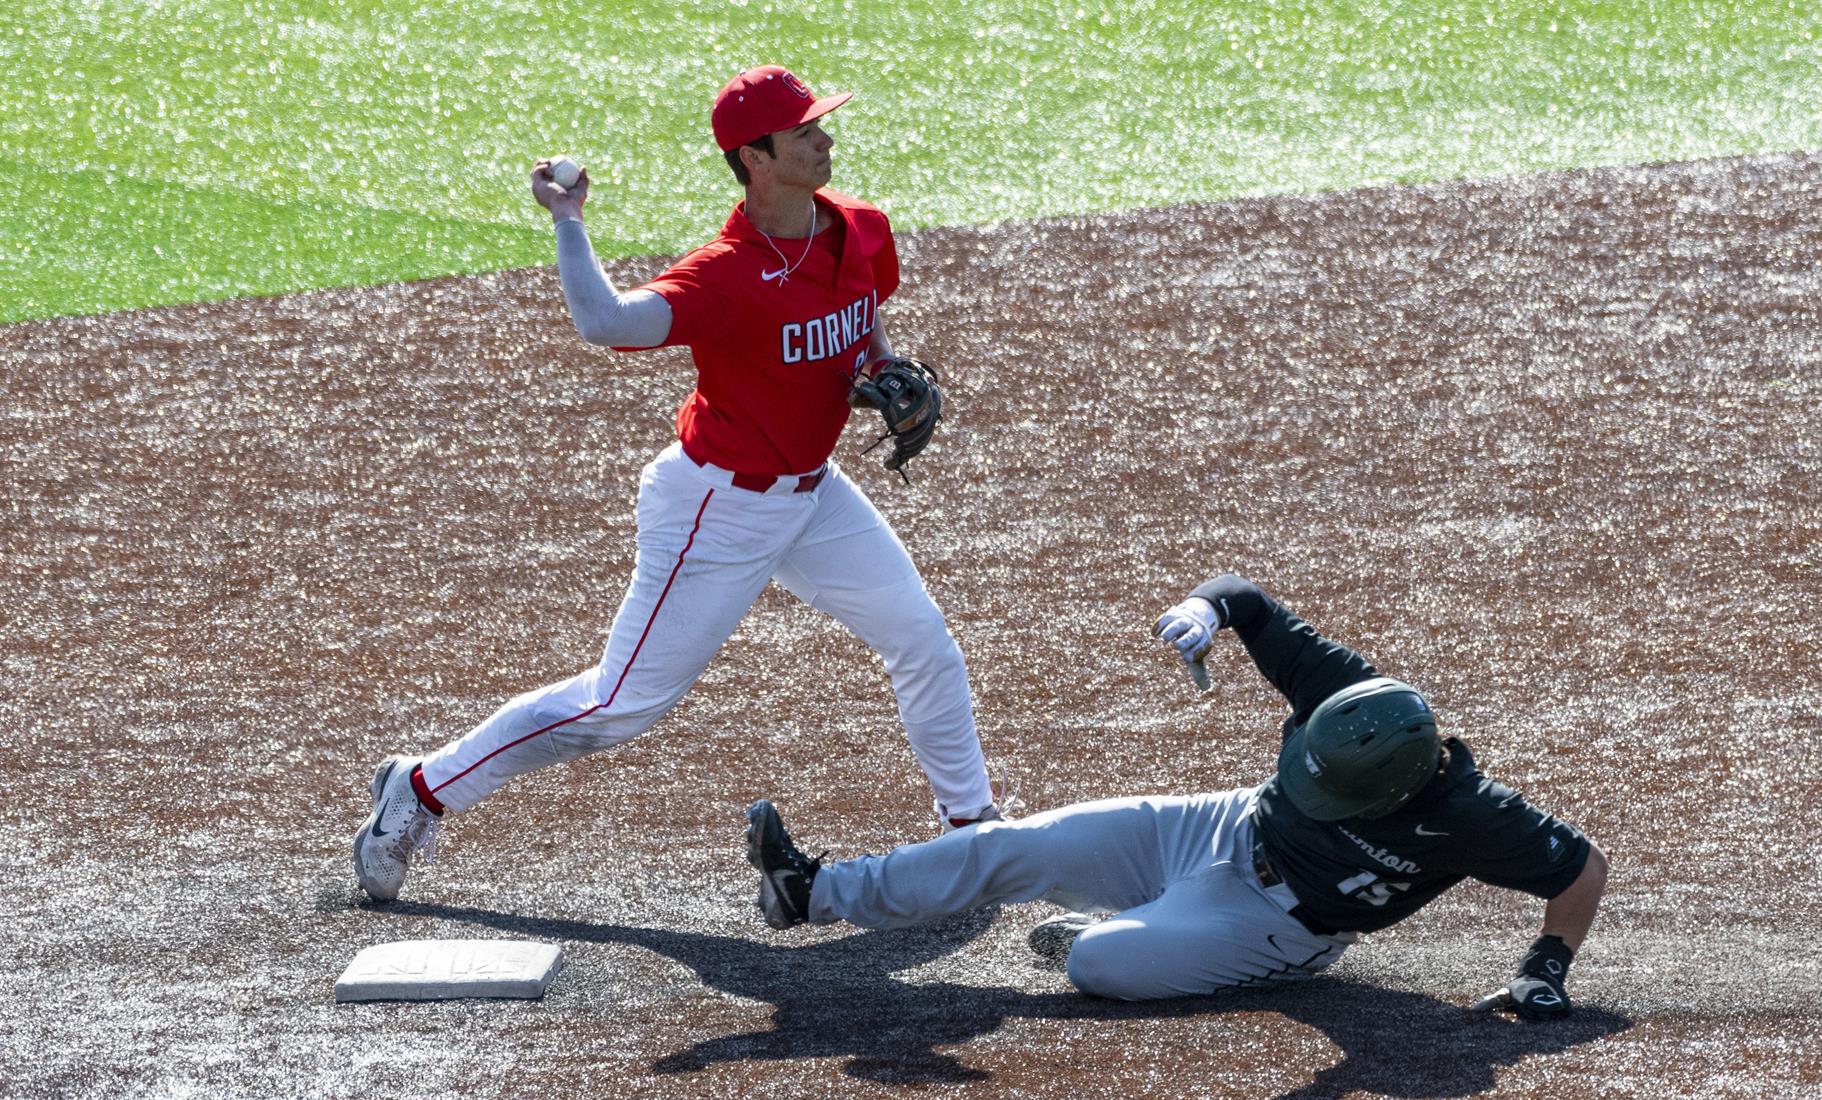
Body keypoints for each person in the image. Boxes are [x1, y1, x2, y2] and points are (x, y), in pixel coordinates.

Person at [354, 64, 1002, 903]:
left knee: (923, 642)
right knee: (617, 706)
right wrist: (568, 221)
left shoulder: (861, 229)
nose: (825, 139)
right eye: (804, 131)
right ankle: (421, 787)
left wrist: (879, 368)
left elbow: (863, 320)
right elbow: (604, 322)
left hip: (814, 494)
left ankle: (974, 829)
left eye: (821, 124)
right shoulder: (724, 276)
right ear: (755, 158)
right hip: (715, 508)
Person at [744, 574, 1610, 1015]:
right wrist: (1203, 610)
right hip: (1218, 824)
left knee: (1096, 965)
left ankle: (1136, 930)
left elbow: (1581, 867)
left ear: (1393, 791)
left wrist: (1545, 966)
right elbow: (1245, 597)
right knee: (1009, 846)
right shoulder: (1345, 693)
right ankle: (812, 890)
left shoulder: (1472, 814)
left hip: (1281, 922)